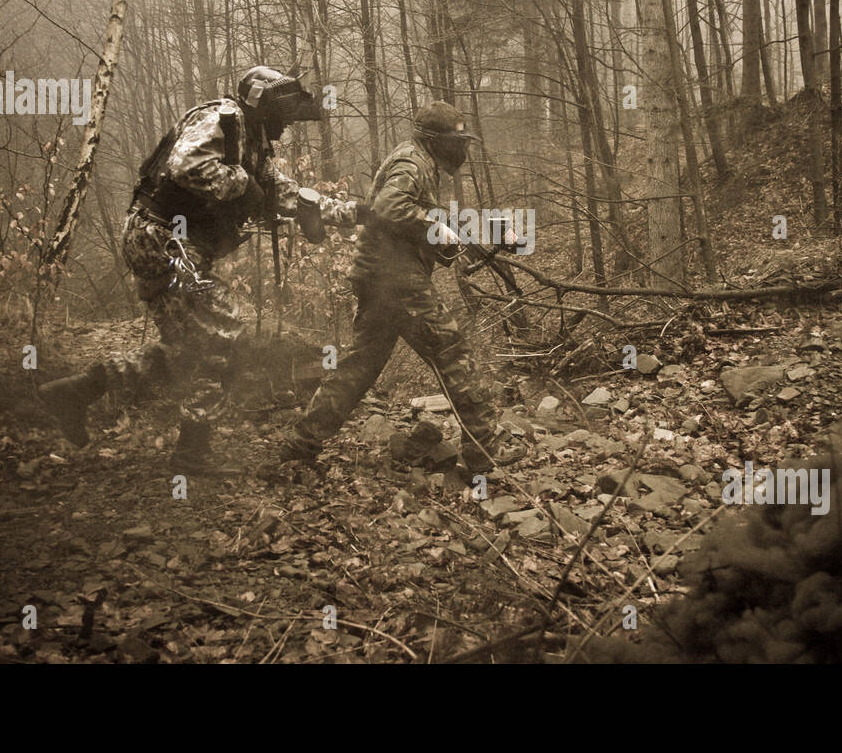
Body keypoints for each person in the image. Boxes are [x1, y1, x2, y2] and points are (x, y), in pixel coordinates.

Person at [39, 66, 365, 476]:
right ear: (261, 104)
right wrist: (243, 186)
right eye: (282, 114)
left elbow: (283, 193)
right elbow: (185, 165)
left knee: (184, 348)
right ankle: (191, 456)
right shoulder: (222, 120)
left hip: (168, 242)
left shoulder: (252, 141)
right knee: (223, 326)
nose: (286, 124)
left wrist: (356, 212)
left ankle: (77, 391)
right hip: (162, 239)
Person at [279, 101, 527, 477]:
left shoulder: (420, 162)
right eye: (457, 139)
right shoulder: (413, 162)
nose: (462, 148)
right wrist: (433, 226)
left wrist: (490, 229)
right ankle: (483, 449)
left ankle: (301, 444)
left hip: (381, 278)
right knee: (453, 353)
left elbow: (428, 218)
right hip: (395, 280)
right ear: (435, 139)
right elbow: (391, 207)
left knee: (360, 365)